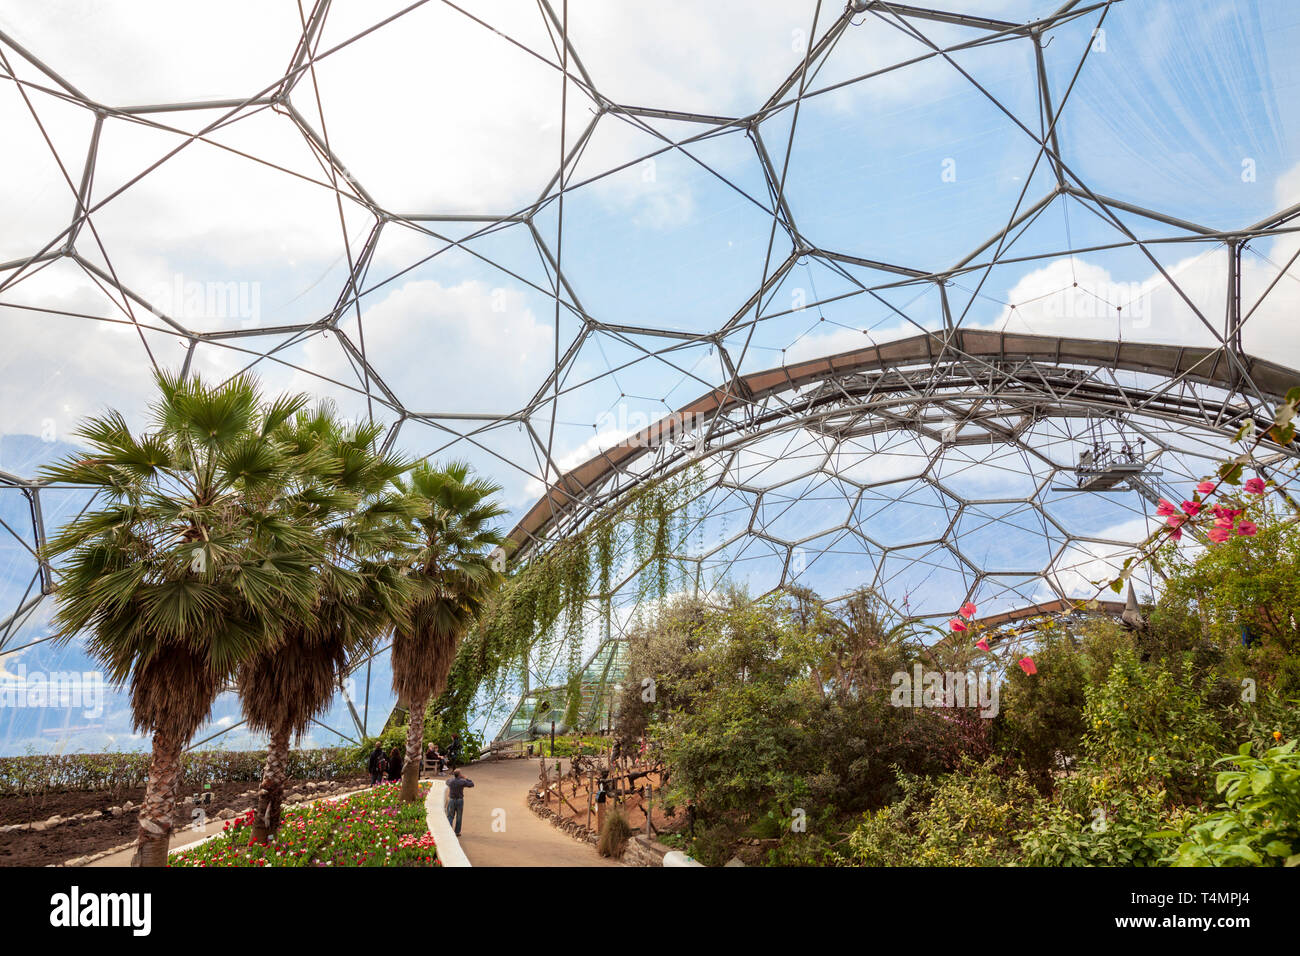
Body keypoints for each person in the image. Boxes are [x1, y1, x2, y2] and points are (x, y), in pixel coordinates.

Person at [444, 770, 474, 836]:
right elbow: (472, 784)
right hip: (459, 800)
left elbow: (447, 782)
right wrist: (466, 778)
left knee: (450, 816)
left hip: (451, 799)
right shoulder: (462, 781)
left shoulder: (450, 781)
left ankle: (449, 830)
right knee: (459, 816)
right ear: (459, 775)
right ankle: (457, 832)